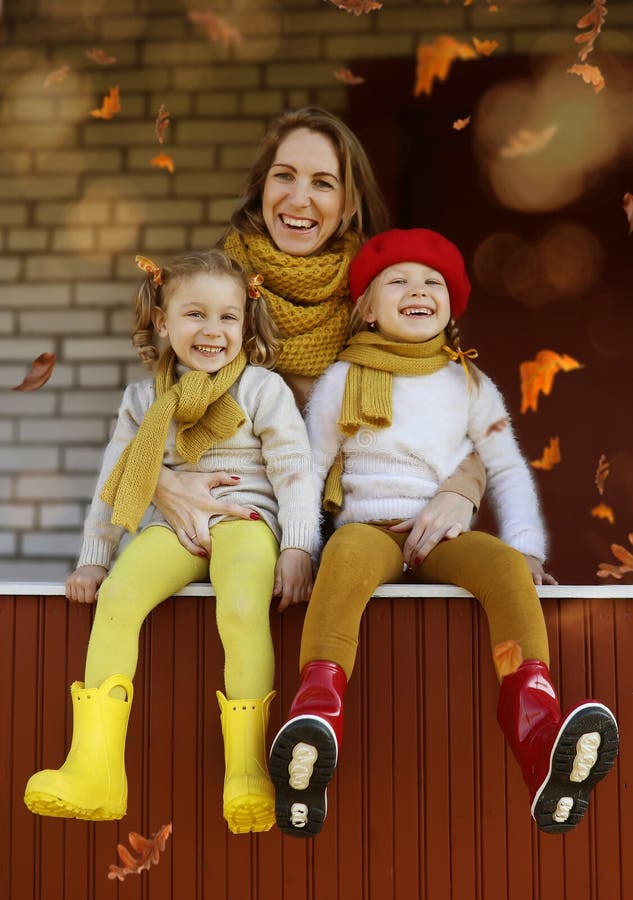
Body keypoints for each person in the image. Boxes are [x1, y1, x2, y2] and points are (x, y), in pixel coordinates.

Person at [268, 228, 619, 838]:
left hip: (444, 537)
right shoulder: (342, 380)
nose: (418, 290)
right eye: (398, 280)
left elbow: (505, 464)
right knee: (345, 556)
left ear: (453, 306)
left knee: (505, 569)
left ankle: (538, 731)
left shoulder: (469, 386)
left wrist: (527, 549)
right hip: (370, 525)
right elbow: (307, 468)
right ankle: (317, 714)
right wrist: (299, 546)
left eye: (434, 282)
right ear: (366, 309)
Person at [24, 249, 319, 835]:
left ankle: (247, 772)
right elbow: (116, 482)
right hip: (173, 529)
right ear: (162, 321)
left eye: (228, 317)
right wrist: (93, 559)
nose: (213, 331)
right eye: (195, 314)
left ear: (246, 321)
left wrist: (297, 546)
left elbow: (293, 469)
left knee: (240, 609)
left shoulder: (262, 389)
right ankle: (95, 770)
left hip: (247, 520)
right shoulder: (141, 401)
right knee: (119, 598)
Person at [152, 108, 487, 564]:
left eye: (323, 183)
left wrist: (459, 493)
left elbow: (455, 410)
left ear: (349, 204)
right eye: (284, 176)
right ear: (262, 189)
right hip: (219, 538)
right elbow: (150, 417)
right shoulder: (210, 294)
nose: (299, 198)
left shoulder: (376, 300)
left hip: (352, 546)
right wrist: (163, 484)